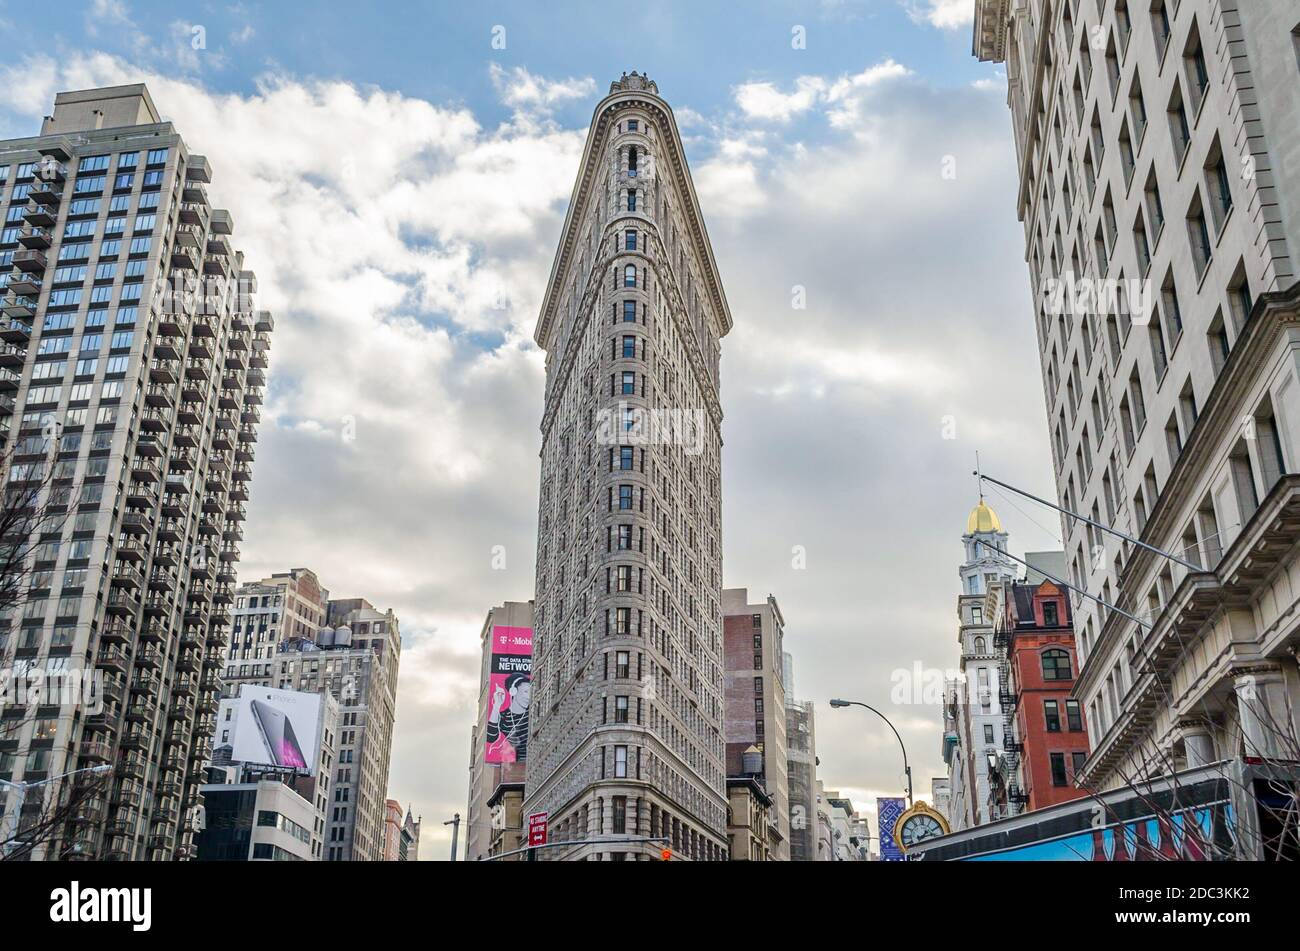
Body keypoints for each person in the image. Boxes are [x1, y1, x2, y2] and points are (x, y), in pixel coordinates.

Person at [485, 672, 531, 761]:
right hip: (516, 764)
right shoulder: (504, 717)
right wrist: (497, 705)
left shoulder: (532, 711)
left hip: (532, 760)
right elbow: (490, 738)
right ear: (513, 691)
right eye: (525, 691)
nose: (528, 696)